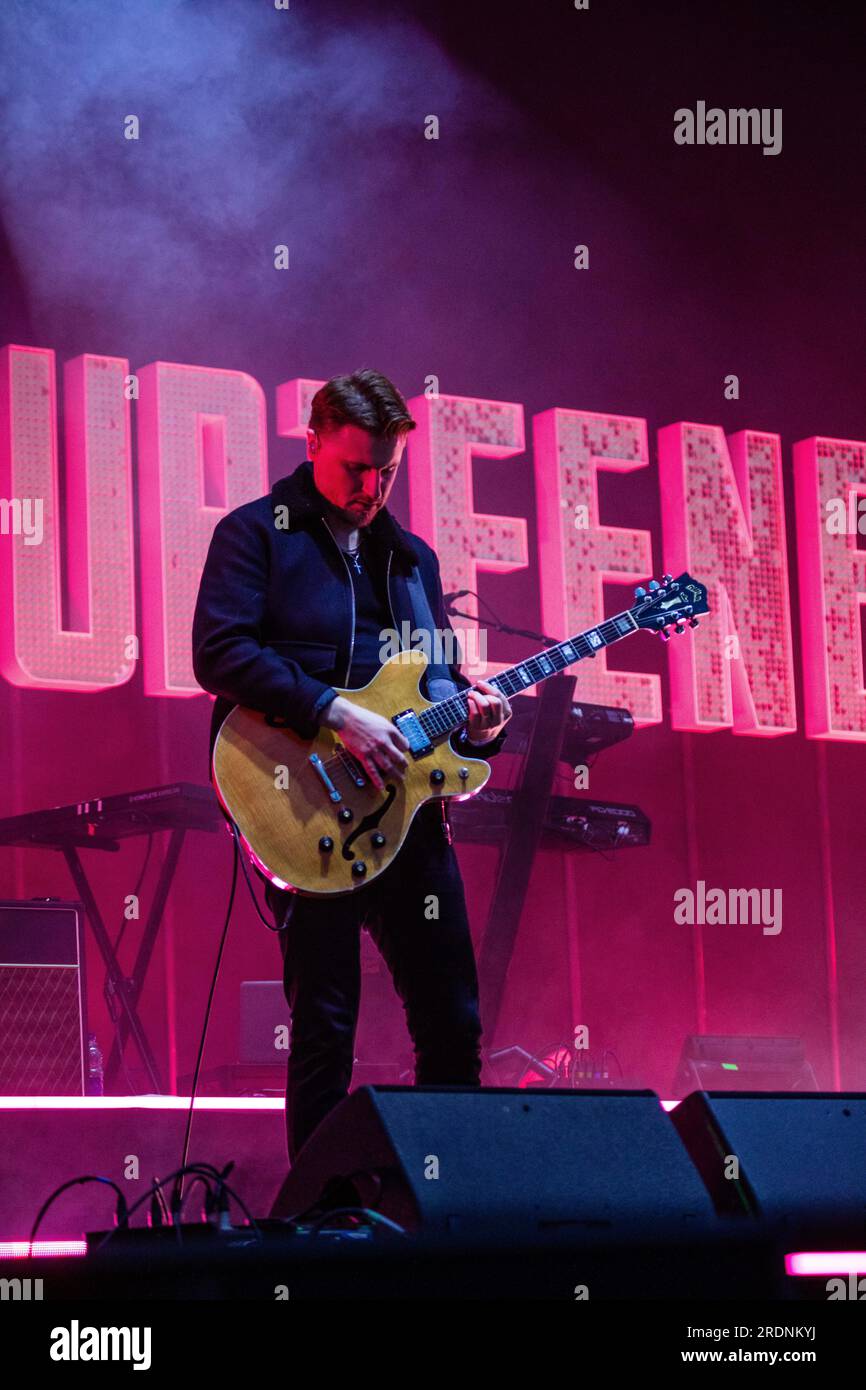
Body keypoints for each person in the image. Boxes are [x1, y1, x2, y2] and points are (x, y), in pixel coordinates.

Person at [192, 369, 512, 1162]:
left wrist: (478, 726)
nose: (372, 488)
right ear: (312, 442)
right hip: (304, 802)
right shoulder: (255, 533)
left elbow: (439, 685)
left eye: (388, 471)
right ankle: (318, 1230)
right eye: (356, 468)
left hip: (406, 817)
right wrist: (333, 712)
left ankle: (448, 1209)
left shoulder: (413, 561)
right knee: (326, 1026)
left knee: (454, 1022)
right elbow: (218, 651)